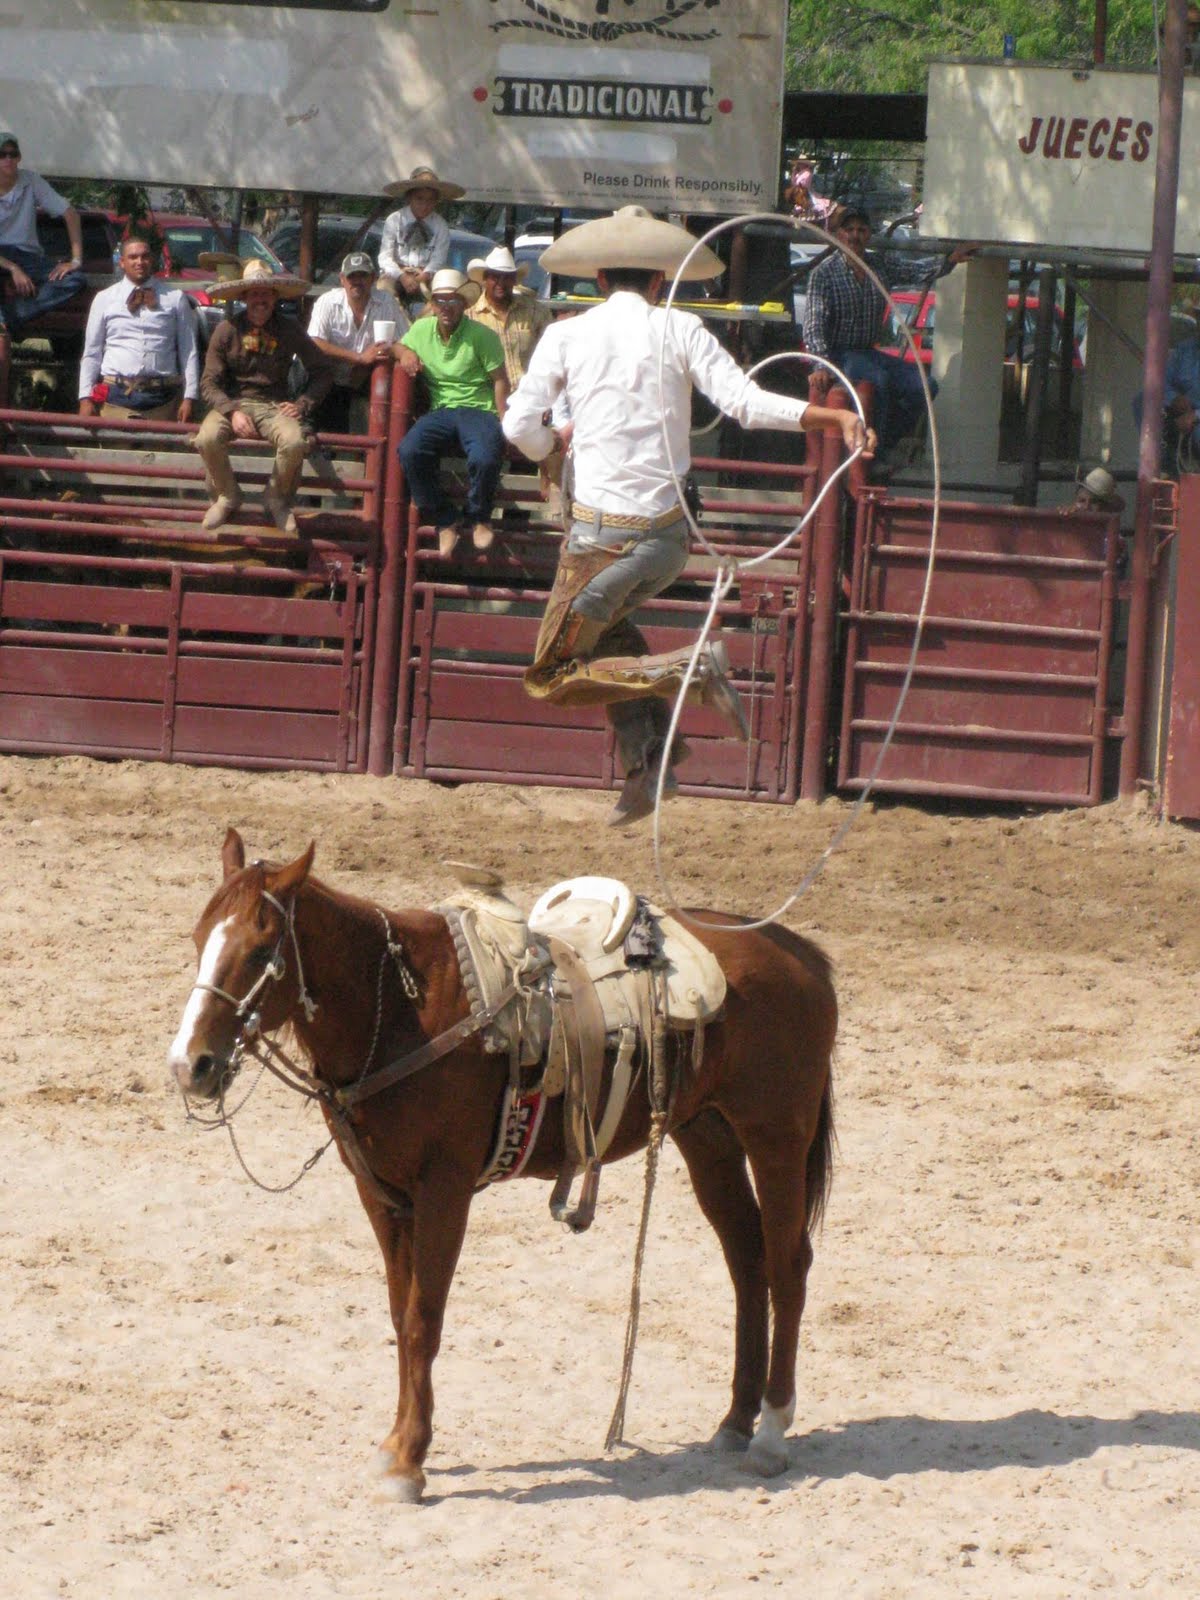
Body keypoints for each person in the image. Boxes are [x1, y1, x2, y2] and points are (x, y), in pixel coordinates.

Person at [503, 204, 874, 826]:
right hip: (670, 538)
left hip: (602, 539)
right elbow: (745, 403)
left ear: (599, 280)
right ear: (657, 281)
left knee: (551, 672)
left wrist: (550, 447)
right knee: (613, 636)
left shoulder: (566, 333)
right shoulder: (682, 330)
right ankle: (649, 763)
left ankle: (692, 670)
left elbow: (518, 425)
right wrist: (833, 417)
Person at [803, 207, 974, 462]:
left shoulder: (878, 264)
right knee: (878, 380)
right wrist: (819, 363)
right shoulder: (824, 274)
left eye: (861, 230)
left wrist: (950, 259)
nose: (855, 236)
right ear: (839, 235)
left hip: (868, 352)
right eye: (849, 230)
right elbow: (814, 323)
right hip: (839, 353)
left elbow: (917, 271)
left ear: (869, 235)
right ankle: (875, 453)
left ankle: (888, 439)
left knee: (926, 386)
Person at [195, 258, 335, 534]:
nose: (261, 299)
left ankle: (276, 498)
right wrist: (231, 411)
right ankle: (227, 495)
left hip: (274, 405)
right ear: (245, 297)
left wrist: (302, 404)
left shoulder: (290, 329)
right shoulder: (226, 331)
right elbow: (208, 383)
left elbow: (322, 371)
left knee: (295, 441)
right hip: (233, 404)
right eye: (255, 293)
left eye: (266, 293)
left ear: (275, 297)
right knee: (206, 437)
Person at [397, 267, 508, 558]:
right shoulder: (421, 330)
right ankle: (445, 518)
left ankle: (478, 516)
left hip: (478, 409)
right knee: (409, 450)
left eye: (453, 301)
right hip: (441, 409)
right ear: (432, 305)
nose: (446, 307)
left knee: (485, 456)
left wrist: (503, 419)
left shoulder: (482, 336)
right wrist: (404, 353)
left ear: (464, 304)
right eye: (441, 301)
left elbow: (500, 380)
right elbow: (398, 345)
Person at [465, 245, 563, 516]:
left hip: (530, 398)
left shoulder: (536, 312)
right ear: (485, 278)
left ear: (514, 280)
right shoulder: (470, 315)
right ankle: (485, 515)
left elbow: (553, 351)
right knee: (489, 454)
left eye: (506, 277)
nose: (500, 282)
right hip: (487, 398)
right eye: (495, 276)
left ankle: (522, 515)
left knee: (542, 441)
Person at [77, 235, 199, 421]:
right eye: (133, 257)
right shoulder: (104, 299)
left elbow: (188, 351)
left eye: (145, 256)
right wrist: (85, 397)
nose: (139, 262)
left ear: (153, 260)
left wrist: (189, 397)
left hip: (163, 397)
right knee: (114, 450)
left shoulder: (175, 298)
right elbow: (92, 352)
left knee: (160, 450)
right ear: (122, 262)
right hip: (115, 396)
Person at [0, 130, 86, 353]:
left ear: (19, 157)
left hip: (26, 256)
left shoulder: (31, 180)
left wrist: (75, 260)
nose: (8, 160)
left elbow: (70, 214)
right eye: (1, 154)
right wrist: (13, 268)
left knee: (75, 279)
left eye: (12, 154)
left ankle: (12, 316)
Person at [306, 250, 410, 432]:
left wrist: (372, 361)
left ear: (373, 278)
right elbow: (314, 343)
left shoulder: (387, 302)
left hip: (367, 380)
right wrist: (358, 358)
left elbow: (404, 342)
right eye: (352, 276)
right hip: (327, 380)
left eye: (362, 275)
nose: (357, 281)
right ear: (342, 279)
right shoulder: (327, 302)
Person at [377, 166, 461, 311]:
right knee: (383, 290)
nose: (424, 205)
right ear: (410, 197)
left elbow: (439, 259)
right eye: (419, 199)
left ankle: (425, 326)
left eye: (430, 200)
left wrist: (425, 275)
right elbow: (385, 257)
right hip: (396, 274)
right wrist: (402, 276)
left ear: (436, 201)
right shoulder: (395, 220)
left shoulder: (440, 225)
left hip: (426, 275)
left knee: (443, 298)